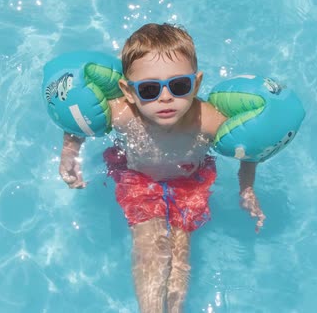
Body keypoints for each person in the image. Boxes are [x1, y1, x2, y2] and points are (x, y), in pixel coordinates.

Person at [58, 23, 265, 313]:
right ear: (128, 91)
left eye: (179, 86)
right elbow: (79, 123)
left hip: (189, 180)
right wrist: (70, 152)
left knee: (181, 246)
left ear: (197, 83)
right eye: (150, 89)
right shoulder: (122, 114)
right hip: (139, 178)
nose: (165, 97)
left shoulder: (208, 120)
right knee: (148, 242)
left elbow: (247, 147)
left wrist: (247, 187)